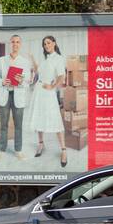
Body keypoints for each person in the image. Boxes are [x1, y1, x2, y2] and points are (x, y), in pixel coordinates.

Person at [0, 34, 36, 161]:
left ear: (20, 44)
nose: (15, 44)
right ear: (9, 44)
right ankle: (2, 150)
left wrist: (21, 81)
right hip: (5, 95)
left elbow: (28, 80)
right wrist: (2, 82)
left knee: (18, 125)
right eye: (13, 42)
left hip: (18, 95)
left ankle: (18, 150)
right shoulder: (1, 60)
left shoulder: (25, 62)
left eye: (17, 42)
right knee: (3, 125)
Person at [30, 34, 68, 167]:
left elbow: (62, 76)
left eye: (48, 43)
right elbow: (38, 72)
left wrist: (52, 86)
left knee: (55, 119)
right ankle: (41, 144)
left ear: (54, 43)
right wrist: (33, 60)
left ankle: (63, 150)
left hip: (48, 92)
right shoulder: (46, 60)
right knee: (39, 118)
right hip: (39, 91)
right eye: (44, 44)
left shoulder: (58, 59)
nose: (46, 46)